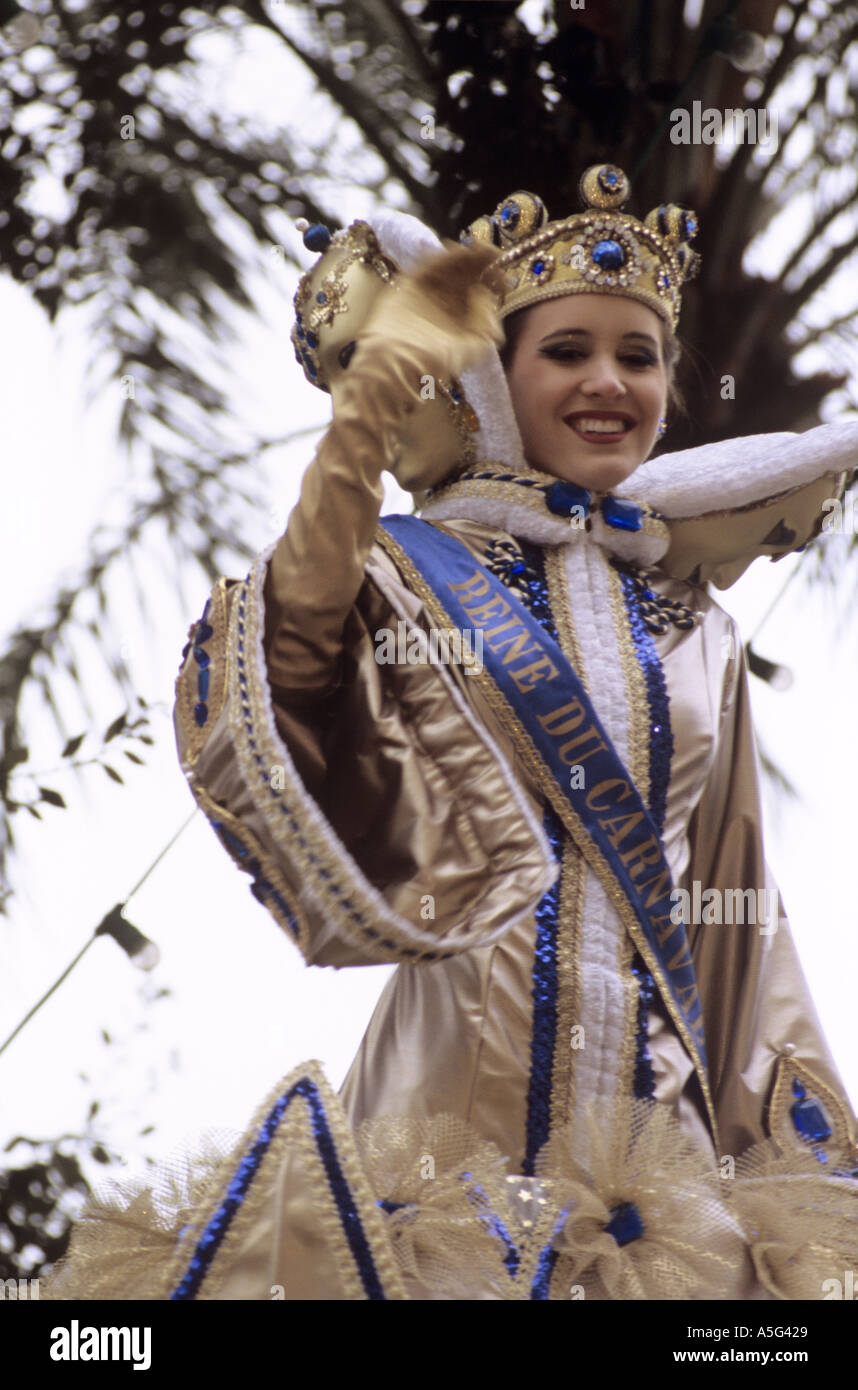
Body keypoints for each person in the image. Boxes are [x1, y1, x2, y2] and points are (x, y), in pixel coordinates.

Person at [50, 165, 858, 1301]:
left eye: (640, 356)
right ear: (495, 377)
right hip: (436, 1158)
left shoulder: (698, 626)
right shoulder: (412, 573)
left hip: (660, 1196)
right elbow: (290, 655)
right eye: (566, 350)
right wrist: (370, 410)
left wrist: (789, 1155)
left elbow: (734, 906)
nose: (607, 383)